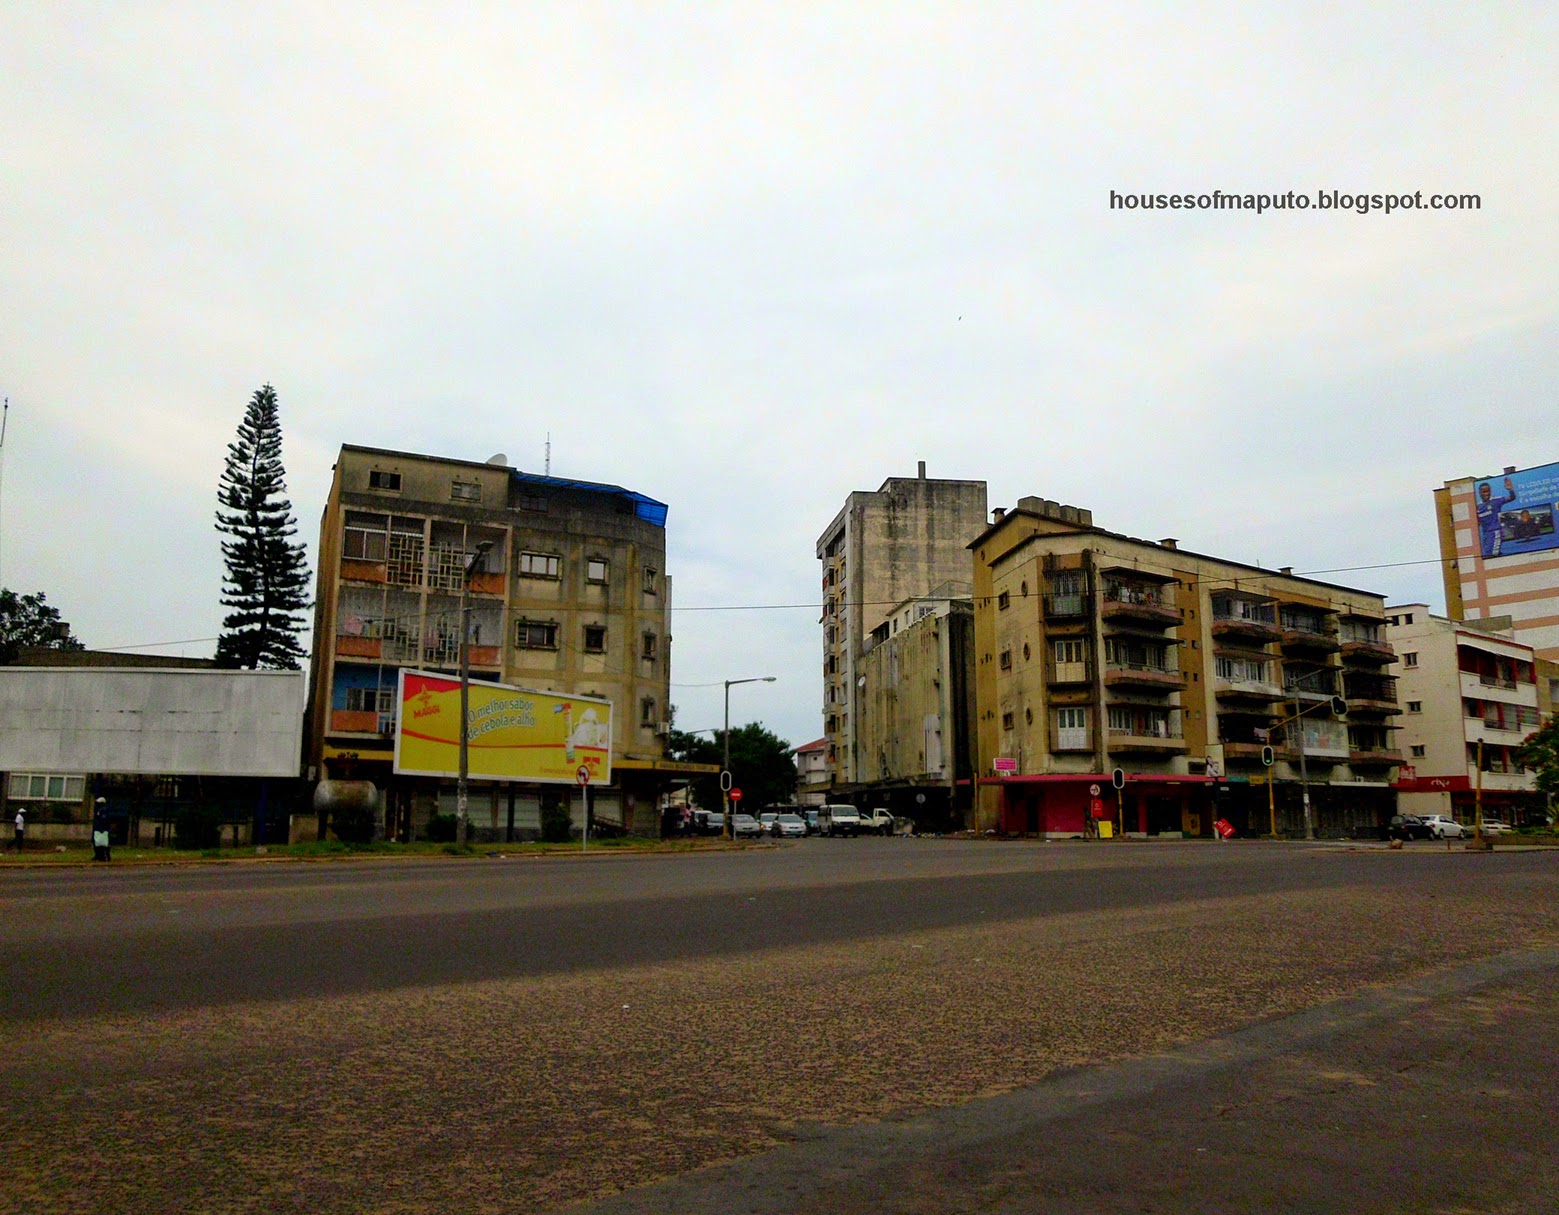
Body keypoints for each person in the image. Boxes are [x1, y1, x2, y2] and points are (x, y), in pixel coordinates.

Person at [1475, 476, 1517, 557]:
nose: (1486, 493)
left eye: (1488, 491)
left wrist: (1510, 490)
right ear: (1479, 493)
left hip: (1495, 532)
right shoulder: (1478, 506)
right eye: (1484, 491)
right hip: (1486, 535)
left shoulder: (1496, 501)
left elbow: (1512, 498)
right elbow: (1478, 522)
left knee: (1493, 555)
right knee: (1486, 555)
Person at [92, 797, 111, 862]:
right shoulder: (99, 810)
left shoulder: (103, 810)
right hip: (98, 828)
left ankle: (104, 856)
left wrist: (102, 828)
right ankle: (98, 855)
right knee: (97, 842)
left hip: (101, 829)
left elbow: (103, 819)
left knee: (102, 843)